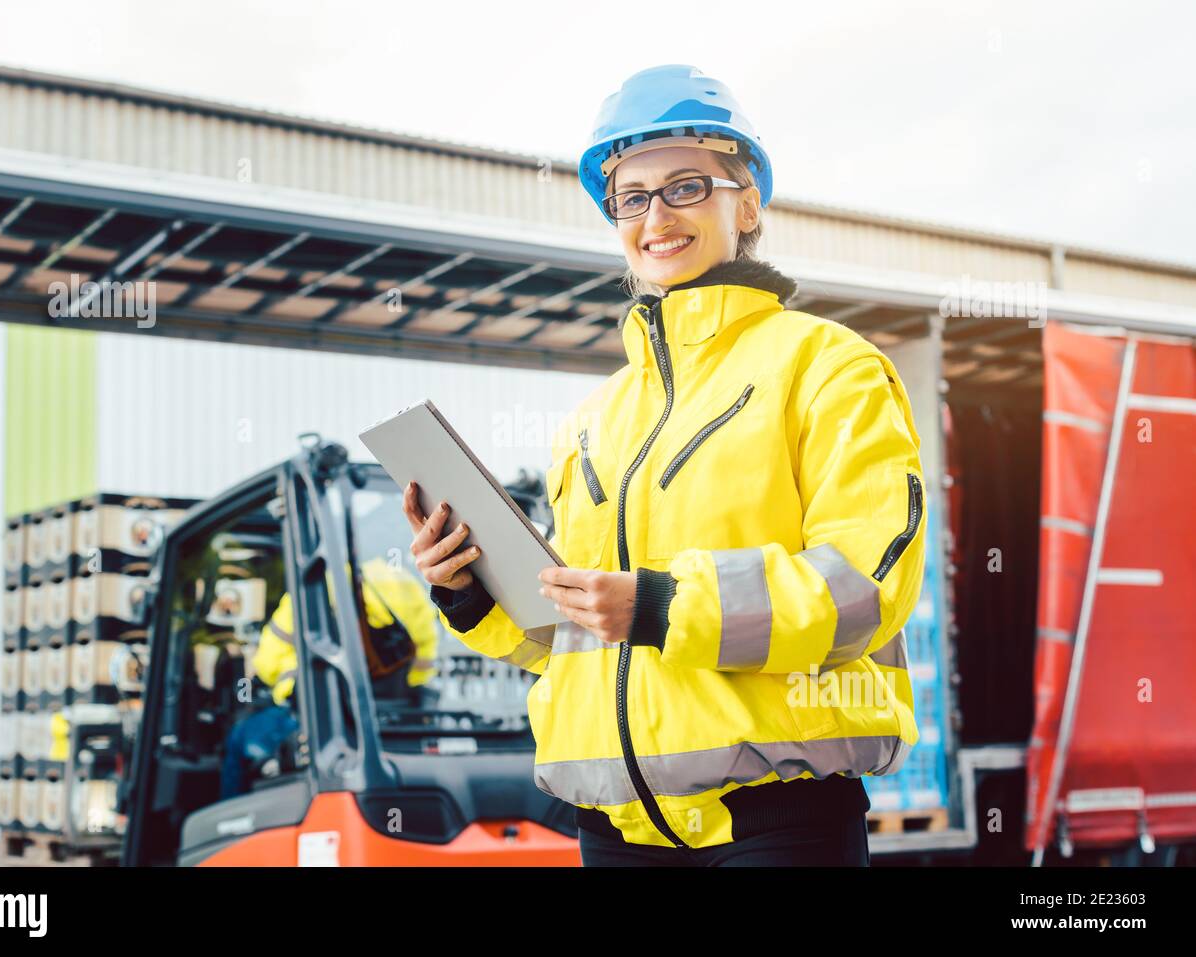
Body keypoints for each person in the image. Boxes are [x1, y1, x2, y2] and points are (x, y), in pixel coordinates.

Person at [403, 64, 928, 867]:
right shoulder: (593, 422)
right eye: (632, 197)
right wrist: (471, 590)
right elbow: (568, 635)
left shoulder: (828, 367)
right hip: (616, 834)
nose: (656, 216)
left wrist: (662, 606)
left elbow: (864, 585)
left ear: (747, 202)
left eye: (686, 186)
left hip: (775, 820)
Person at [219, 556, 440, 798]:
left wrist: (289, 682)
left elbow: (267, 663)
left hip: (319, 722)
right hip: (397, 721)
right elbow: (423, 670)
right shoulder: (407, 585)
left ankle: (234, 825)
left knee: (240, 737)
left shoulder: (317, 583)